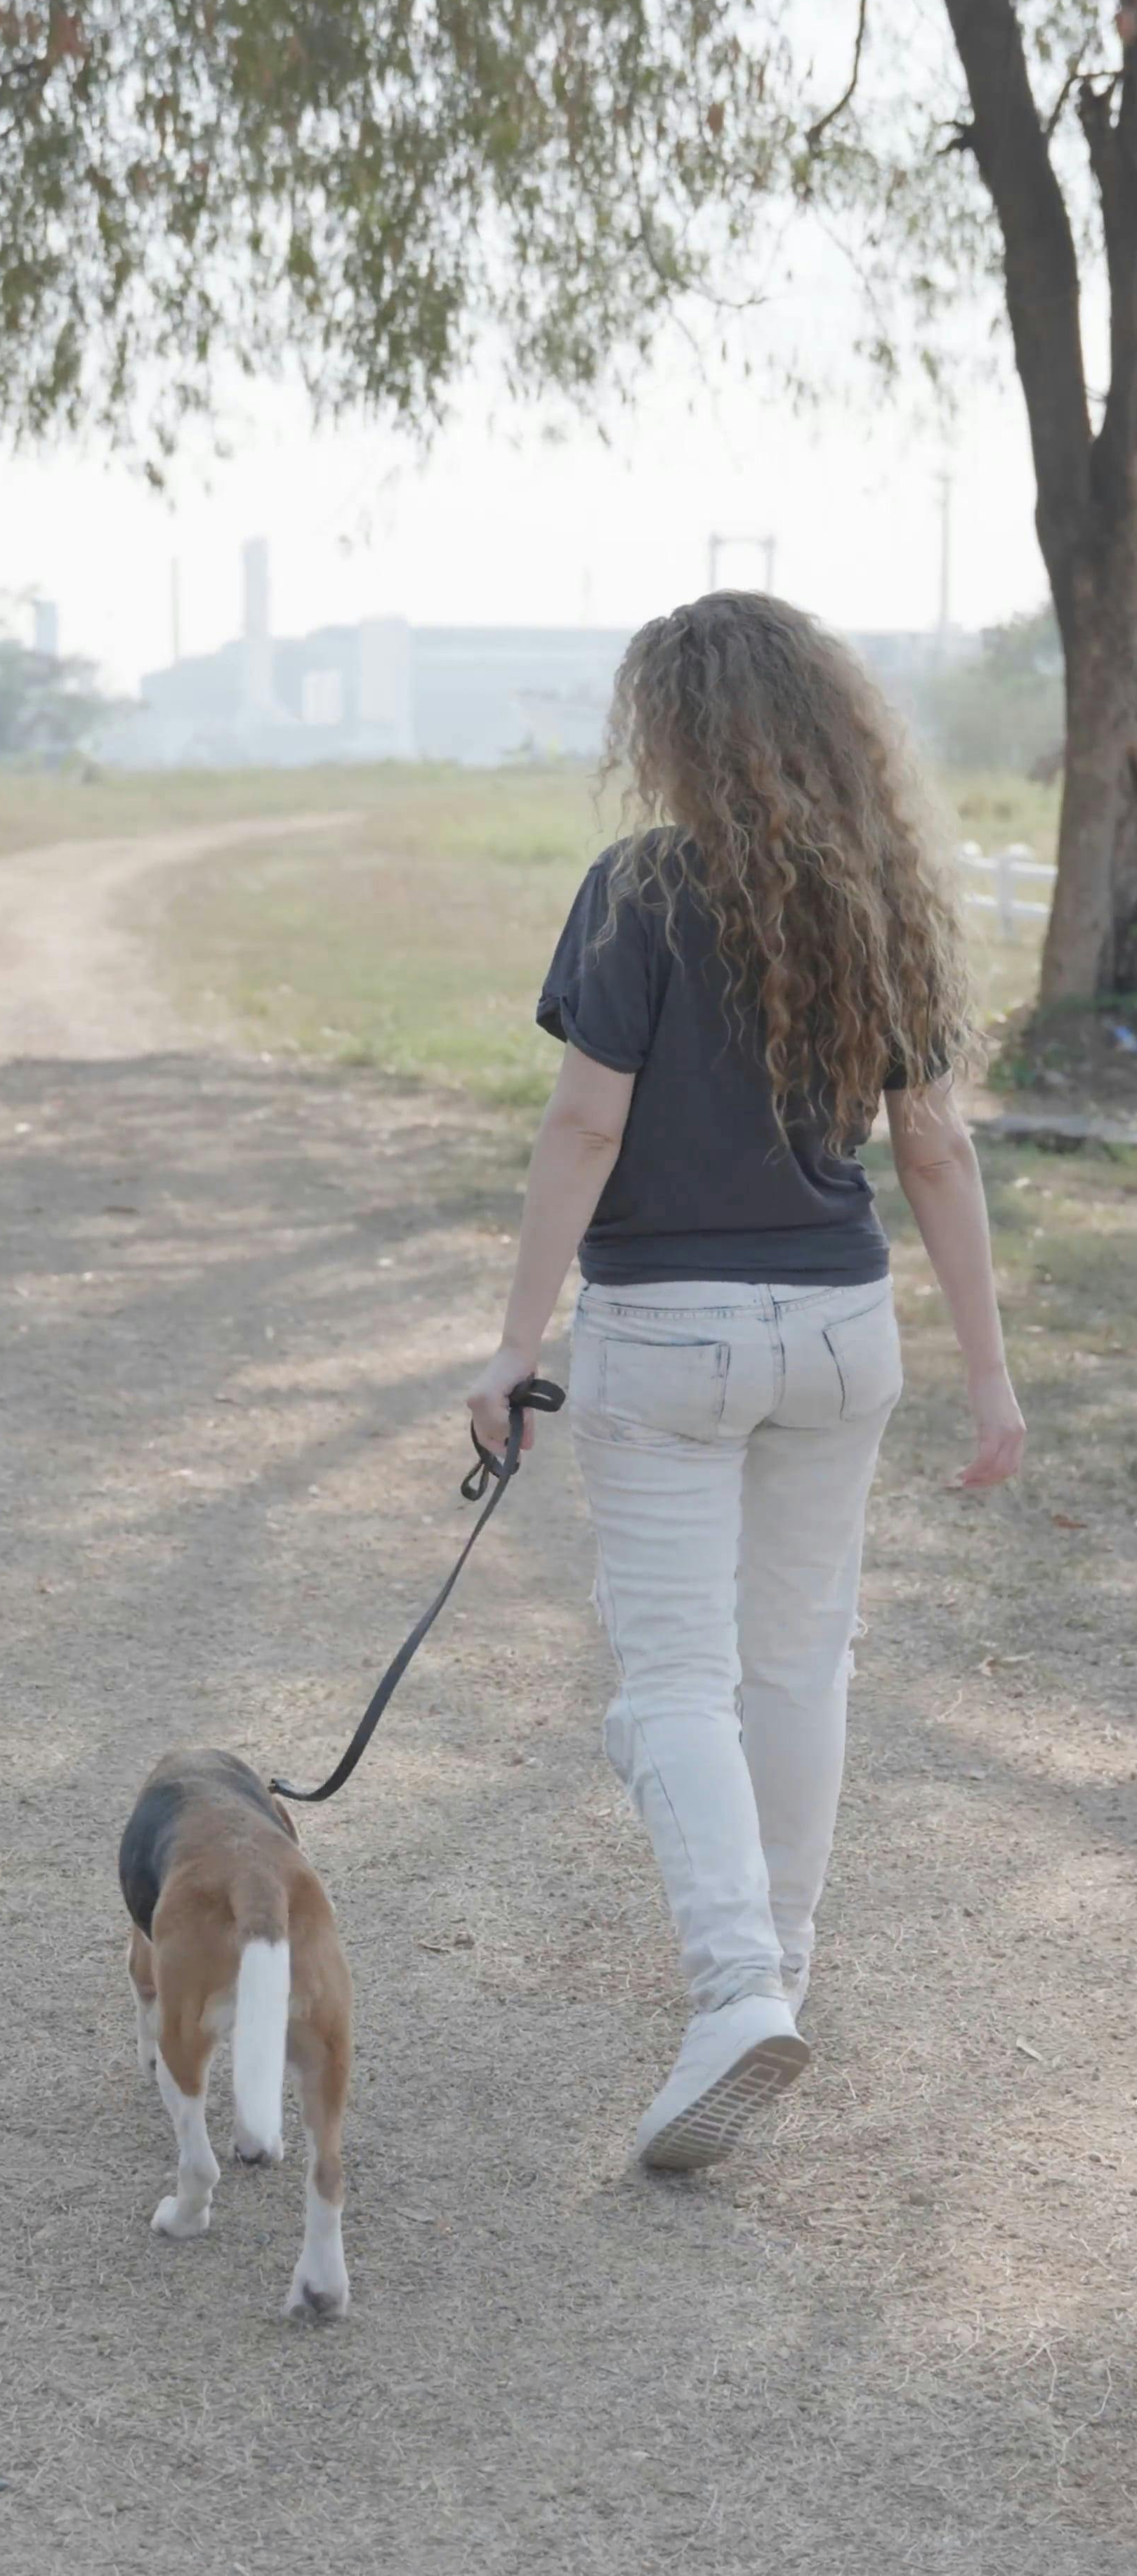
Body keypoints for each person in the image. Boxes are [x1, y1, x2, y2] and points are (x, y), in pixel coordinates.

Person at [467, 592, 1025, 2173]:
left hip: (667, 1338)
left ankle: (735, 1992)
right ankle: (777, 1966)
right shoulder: (885, 899)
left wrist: (516, 1342)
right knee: (797, 1668)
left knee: (671, 1686)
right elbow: (936, 1146)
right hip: (844, 1334)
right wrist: (989, 1378)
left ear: (673, 731)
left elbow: (584, 1126)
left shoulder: (640, 889)